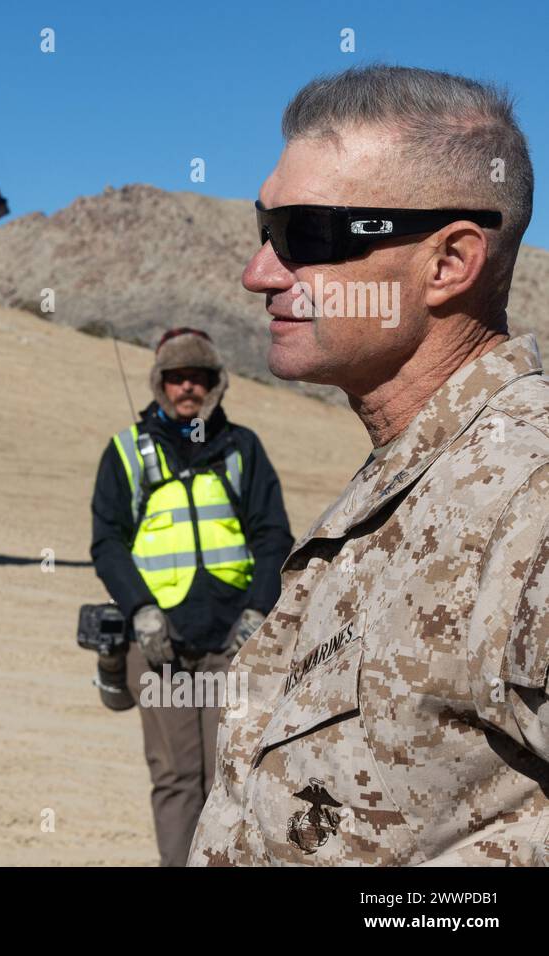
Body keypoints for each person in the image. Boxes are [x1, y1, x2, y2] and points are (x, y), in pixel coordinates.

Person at [190, 65, 546, 865]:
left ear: (450, 264)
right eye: (264, 229)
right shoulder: (410, 478)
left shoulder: (530, 496)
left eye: (307, 236)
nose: (261, 273)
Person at [91, 327, 293, 866]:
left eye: (198, 379)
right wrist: (142, 611)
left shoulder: (241, 448)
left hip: (233, 642)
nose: (187, 388)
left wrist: (256, 610)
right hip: (160, 647)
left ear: (215, 385)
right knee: (178, 777)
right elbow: (107, 542)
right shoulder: (127, 452)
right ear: (159, 385)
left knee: (236, 771)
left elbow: (273, 535)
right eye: (175, 378)